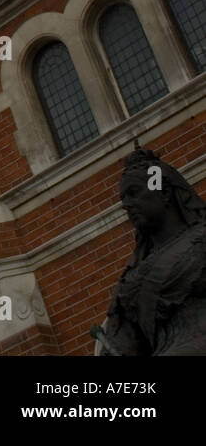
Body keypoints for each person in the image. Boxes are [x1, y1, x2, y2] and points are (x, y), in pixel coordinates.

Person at [94, 143, 206, 355]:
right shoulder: (132, 280)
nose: (126, 205)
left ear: (163, 192)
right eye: (123, 199)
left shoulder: (201, 238)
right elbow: (124, 345)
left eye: (134, 193)